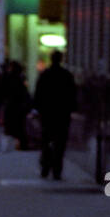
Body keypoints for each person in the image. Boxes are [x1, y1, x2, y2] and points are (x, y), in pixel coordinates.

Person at [34, 50, 76, 179]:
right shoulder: (67, 75)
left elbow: (38, 94)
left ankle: (45, 167)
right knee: (60, 143)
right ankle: (57, 170)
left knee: (46, 141)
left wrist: (38, 109)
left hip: (47, 114)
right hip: (62, 114)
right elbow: (72, 95)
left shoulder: (45, 75)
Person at [1, 60, 32, 151]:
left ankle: (18, 144)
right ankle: (21, 144)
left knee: (16, 126)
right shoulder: (19, 78)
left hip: (14, 106)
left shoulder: (12, 78)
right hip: (18, 106)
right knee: (20, 126)